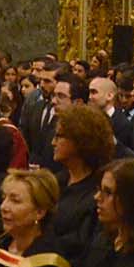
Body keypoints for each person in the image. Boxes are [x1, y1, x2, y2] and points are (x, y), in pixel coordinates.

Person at [50, 104, 114, 258]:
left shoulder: (98, 193)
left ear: (80, 140)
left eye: (59, 136)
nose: (53, 142)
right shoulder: (57, 180)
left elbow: (81, 245)